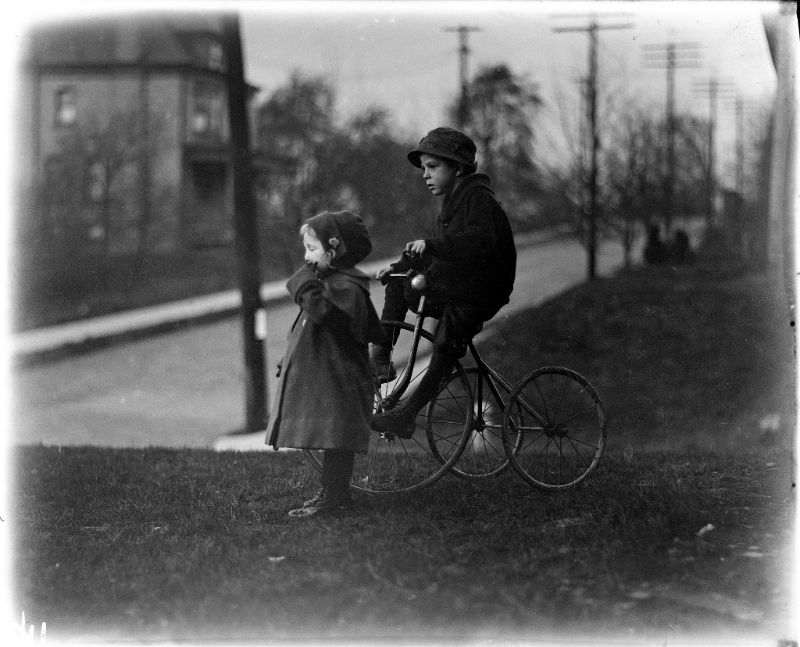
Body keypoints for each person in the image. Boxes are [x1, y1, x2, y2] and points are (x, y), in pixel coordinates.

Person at [370, 127, 516, 439]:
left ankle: (406, 416)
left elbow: (478, 242)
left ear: (458, 168)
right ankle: (381, 359)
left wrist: (432, 246)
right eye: (424, 168)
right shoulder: (453, 201)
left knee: (446, 345)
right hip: (459, 284)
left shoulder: (479, 199)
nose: (425, 175)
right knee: (398, 281)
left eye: (433, 167)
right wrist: (397, 267)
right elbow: (437, 249)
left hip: (482, 290)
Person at [266, 210, 385, 518]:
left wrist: (304, 284)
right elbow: (308, 327)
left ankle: (333, 496)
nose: (306, 257)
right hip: (329, 375)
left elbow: (324, 314)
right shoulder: (331, 282)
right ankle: (334, 495)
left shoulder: (346, 287)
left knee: (337, 438)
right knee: (333, 438)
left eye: (312, 249)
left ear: (333, 252)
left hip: (340, 377)